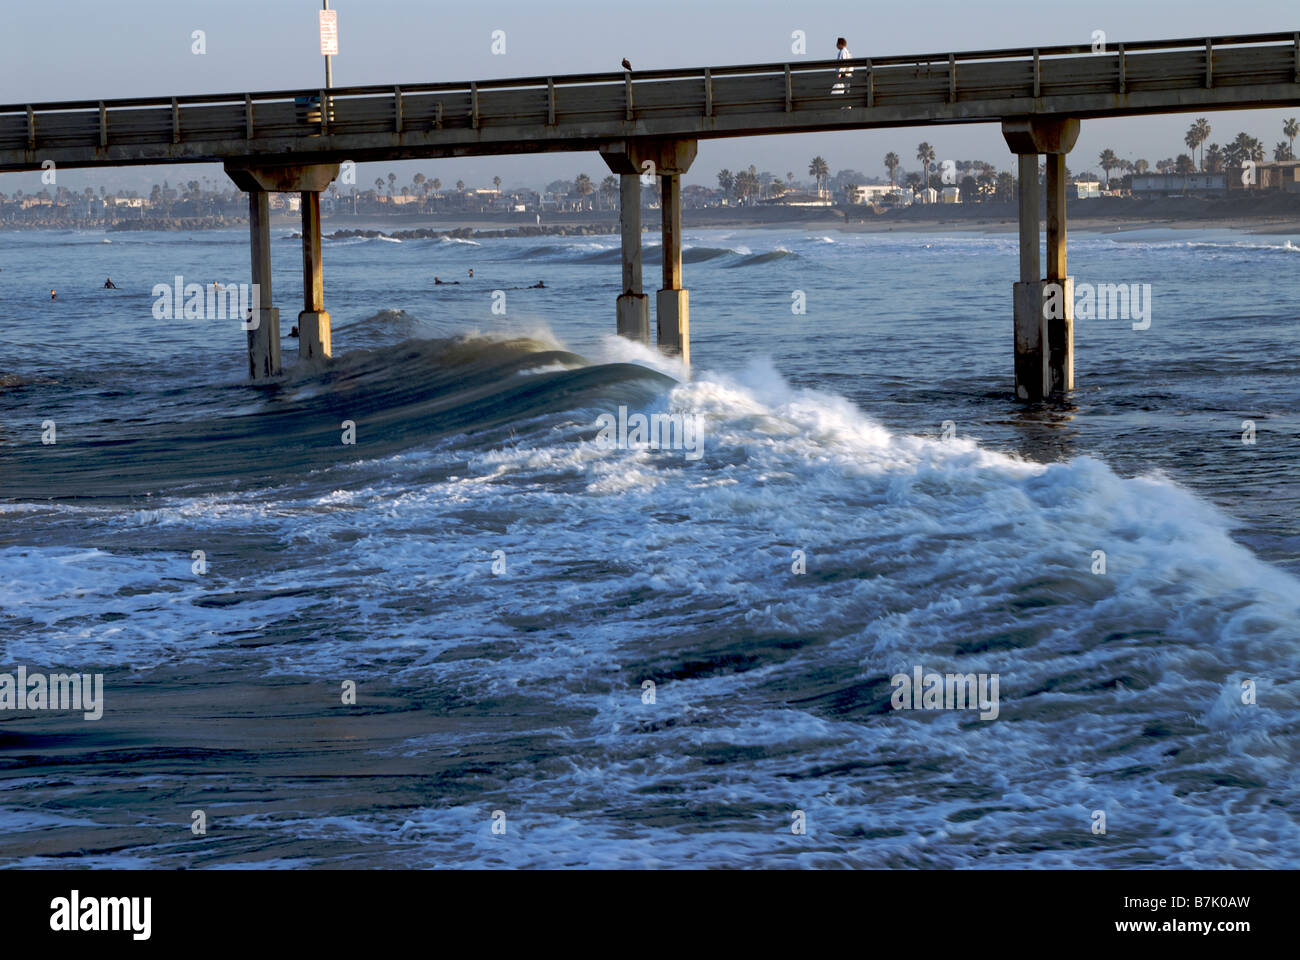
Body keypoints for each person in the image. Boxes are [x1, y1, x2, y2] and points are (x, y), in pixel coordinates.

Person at [832, 37, 854, 107]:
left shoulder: (842, 52)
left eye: (837, 44)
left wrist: (839, 73)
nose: (836, 45)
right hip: (848, 74)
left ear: (840, 44)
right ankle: (847, 106)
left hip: (844, 75)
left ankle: (846, 106)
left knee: (844, 91)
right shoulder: (847, 51)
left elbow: (843, 63)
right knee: (846, 91)